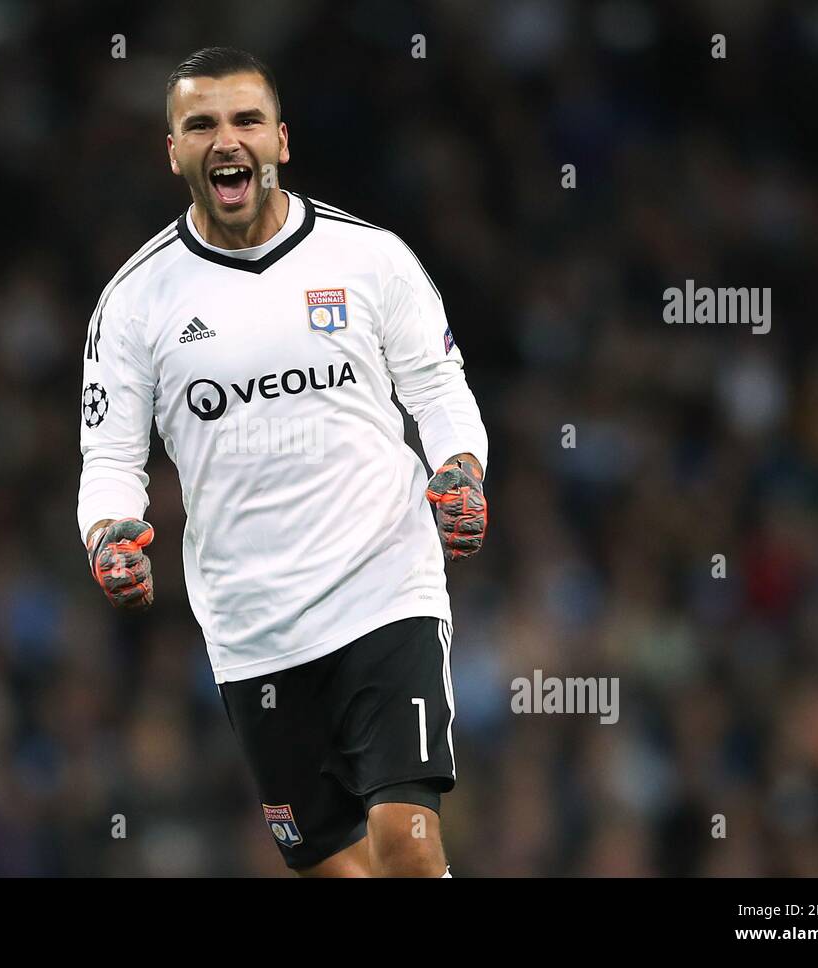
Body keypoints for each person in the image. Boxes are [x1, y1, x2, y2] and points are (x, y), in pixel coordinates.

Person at [77, 47, 488, 877]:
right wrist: (108, 534)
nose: (226, 141)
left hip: (383, 586)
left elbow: (439, 387)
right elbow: (110, 456)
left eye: (245, 121)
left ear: (282, 141)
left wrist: (460, 468)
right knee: (334, 866)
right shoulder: (135, 301)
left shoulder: (369, 259)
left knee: (406, 839)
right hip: (252, 623)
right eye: (202, 125)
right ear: (174, 151)